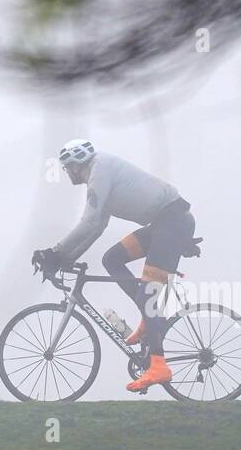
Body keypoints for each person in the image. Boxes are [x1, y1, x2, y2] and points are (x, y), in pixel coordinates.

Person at [43, 139, 196, 392]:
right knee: (112, 259)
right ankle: (149, 320)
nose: (66, 172)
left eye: (66, 166)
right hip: (163, 225)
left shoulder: (99, 170)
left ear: (76, 163)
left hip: (171, 224)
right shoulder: (98, 175)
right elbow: (95, 228)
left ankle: (159, 366)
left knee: (148, 295)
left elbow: (88, 221)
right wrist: (64, 259)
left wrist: (55, 252)